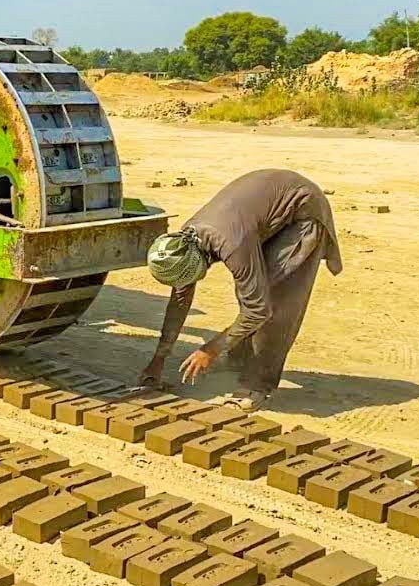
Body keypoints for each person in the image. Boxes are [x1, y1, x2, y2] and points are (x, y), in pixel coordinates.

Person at [140, 169, 343, 412]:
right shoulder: (182, 244)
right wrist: (158, 359)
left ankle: (256, 386)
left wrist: (210, 349)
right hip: (262, 216)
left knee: (273, 298)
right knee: (251, 290)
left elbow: (258, 310)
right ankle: (240, 359)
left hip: (303, 214)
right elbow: (180, 300)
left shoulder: (230, 243)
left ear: (198, 264)